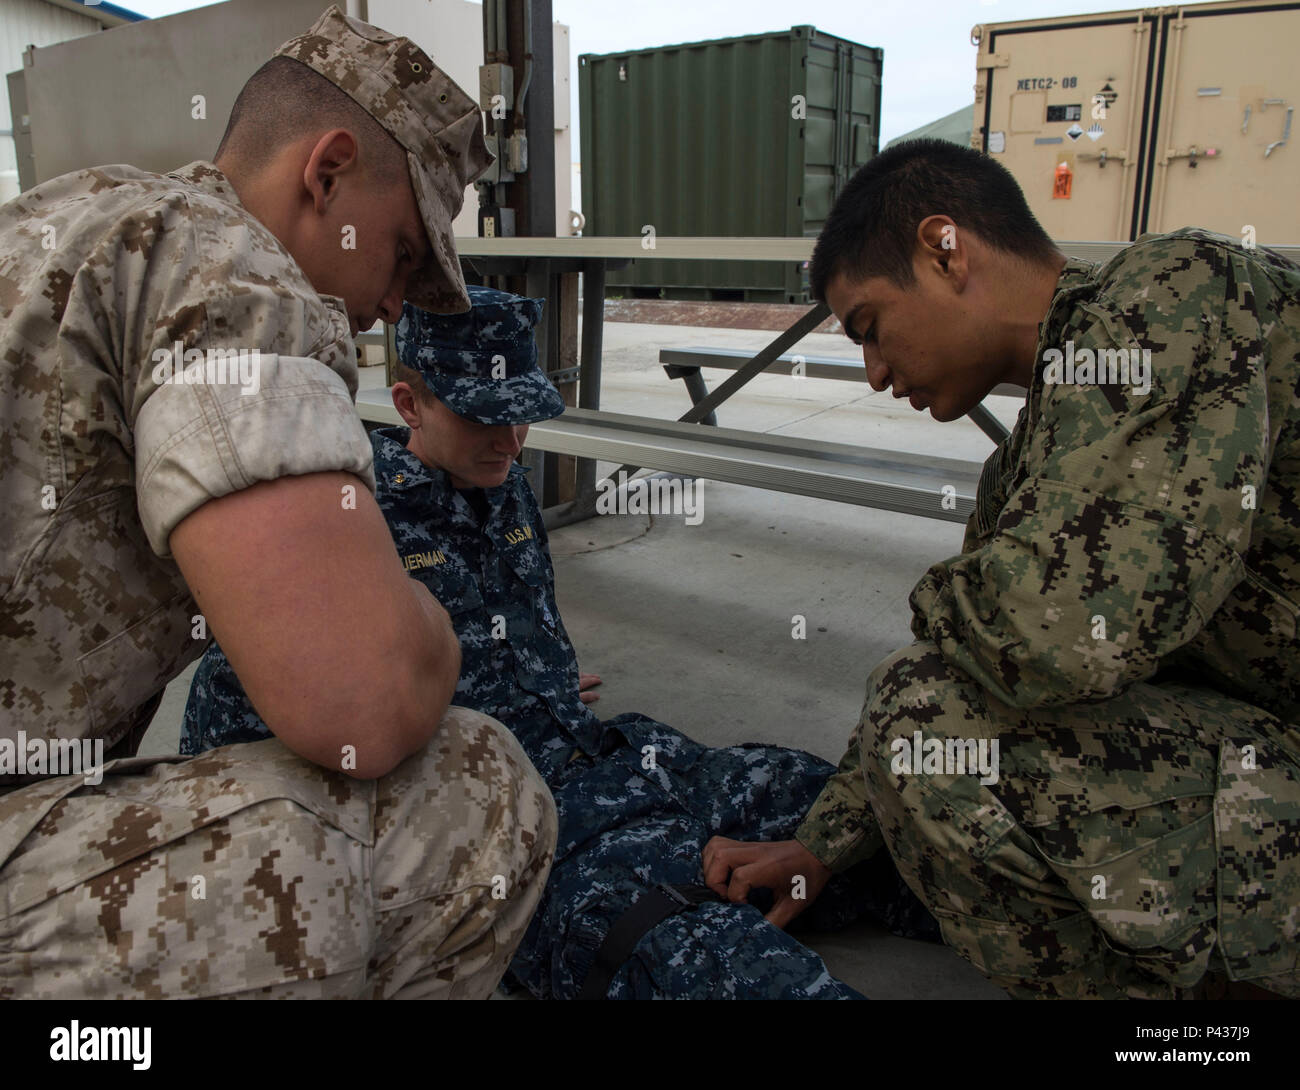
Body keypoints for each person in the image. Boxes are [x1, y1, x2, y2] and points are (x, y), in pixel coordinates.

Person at [0, 6, 554, 999]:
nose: (395, 304)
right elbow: (358, 700)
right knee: (478, 790)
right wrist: (432, 632)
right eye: (402, 256)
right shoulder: (232, 266)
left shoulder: (69, 215)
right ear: (326, 172)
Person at [184, 286, 941, 1000]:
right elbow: (234, 728)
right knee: (697, 954)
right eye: (487, 419)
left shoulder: (497, 476)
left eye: (524, 417)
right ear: (410, 404)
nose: (513, 443)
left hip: (603, 757)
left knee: (850, 813)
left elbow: (513, 616)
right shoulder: (345, 519)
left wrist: (528, 678)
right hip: (517, 825)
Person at [705, 137, 1300, 999]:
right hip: (1264, 737)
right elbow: (979, 653)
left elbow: (1056, 636)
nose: (872, 374)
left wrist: (944, 601)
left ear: (945, 251)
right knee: (926, 710)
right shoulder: (1034, 456)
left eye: (871, 328)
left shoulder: (1177, 291)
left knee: (924, 717)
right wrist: (822, 846)